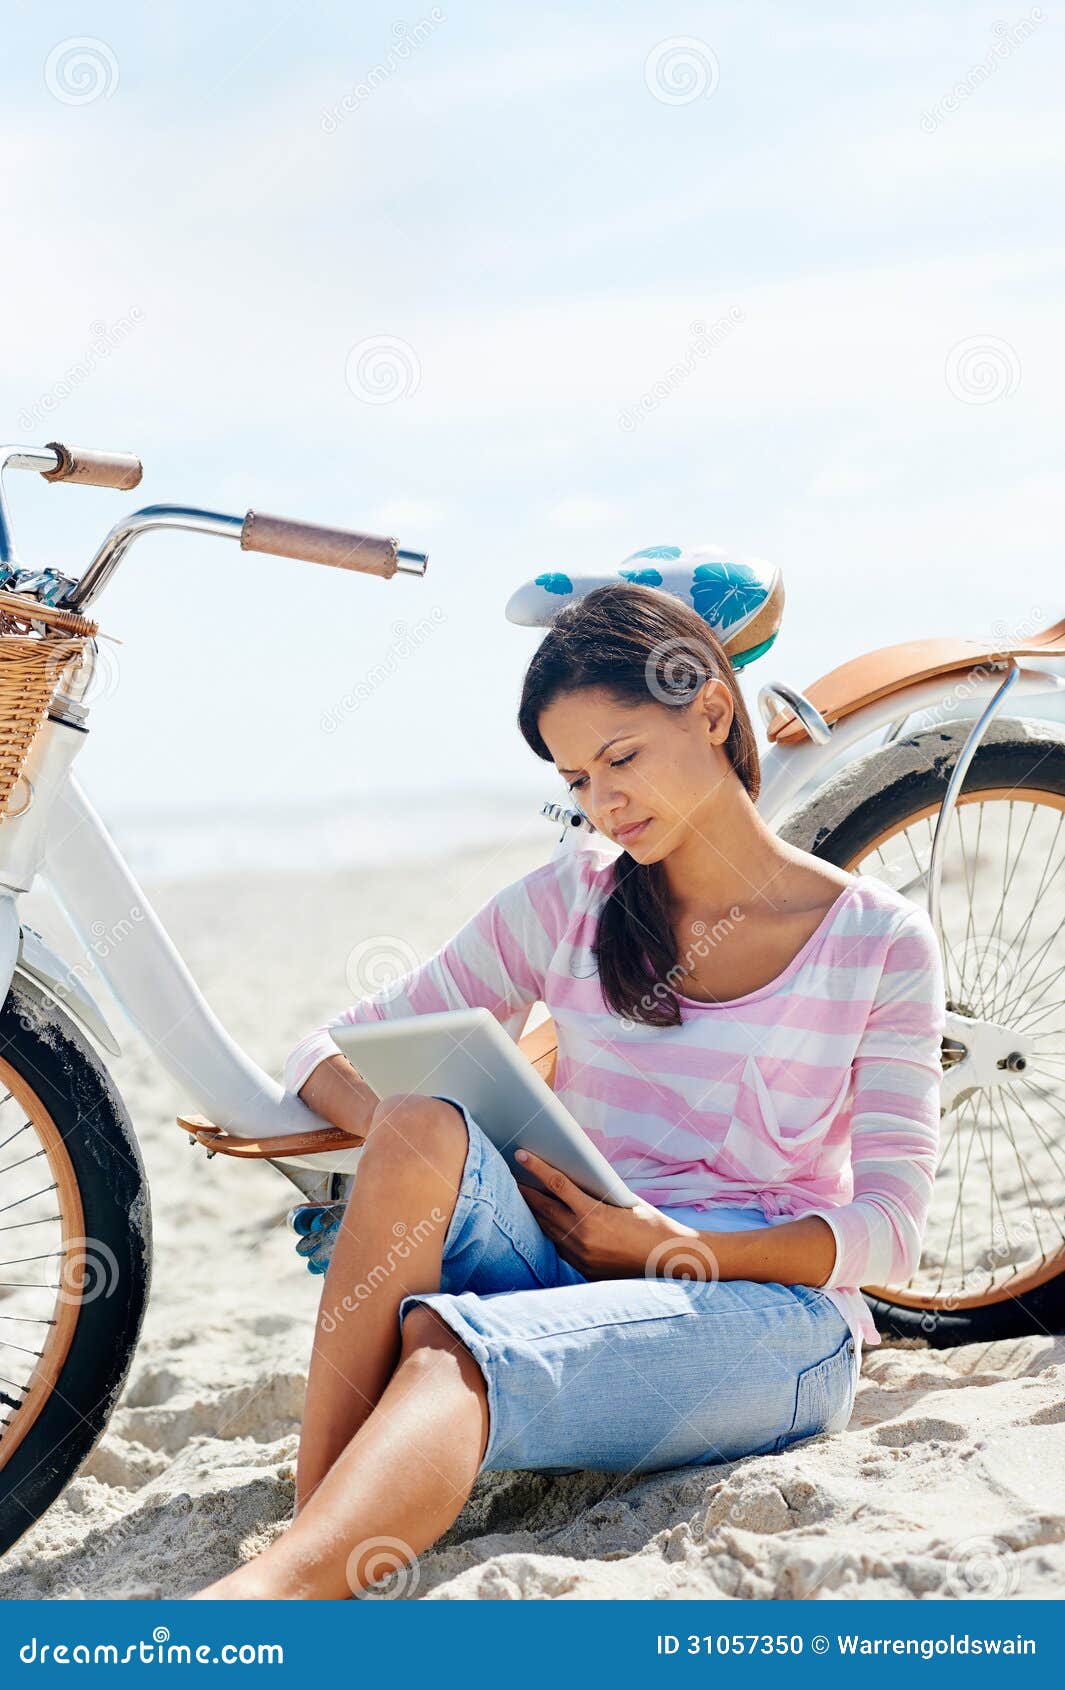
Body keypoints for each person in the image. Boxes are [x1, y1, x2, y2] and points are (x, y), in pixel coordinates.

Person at [192, 582, 945, 1600]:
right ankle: (315, 1522)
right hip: (567, 1264)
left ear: (712, 712)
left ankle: (259, 1604)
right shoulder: (571, 899)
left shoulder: (881, 941)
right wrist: (415, 1142)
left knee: (445, 1342)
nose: (605, 801)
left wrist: (659, 1245)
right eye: (579, 778)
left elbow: (891, 1229)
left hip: (770, 1317)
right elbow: (326, 1050)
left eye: (622, 758)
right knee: (418, 1123)